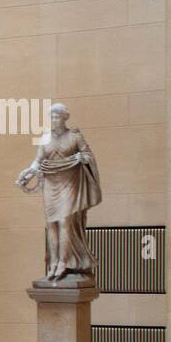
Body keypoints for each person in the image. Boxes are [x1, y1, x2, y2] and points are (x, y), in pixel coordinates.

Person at [15, 102, 102, 283]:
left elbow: (88, 156)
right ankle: (53, 262)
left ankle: (64, 261)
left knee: (64, 221)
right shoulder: (45, 138)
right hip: (50, 183)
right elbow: (38, 161)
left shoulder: (75, 136)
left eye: (57, 117)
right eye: (52, 117)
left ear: (64, 118)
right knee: (51, 223)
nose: (54, 120)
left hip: (70, 182)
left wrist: (81, 157)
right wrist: (28, 172)